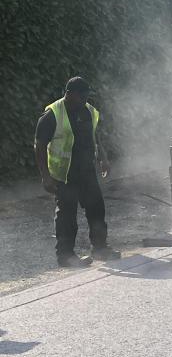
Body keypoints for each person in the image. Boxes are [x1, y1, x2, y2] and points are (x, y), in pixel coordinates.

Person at [34, 77, 119, 268]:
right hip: (64, 174)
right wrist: (45, 176)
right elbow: (39, 146)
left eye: (86, 96)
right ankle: (66, 257)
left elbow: (94, 136)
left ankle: (100, 248)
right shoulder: (52, 114)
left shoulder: (88, 111)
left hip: (87, 171)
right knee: (67, 216)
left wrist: (103, 158)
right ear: (69, 94)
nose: (85, 99)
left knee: (97, 209)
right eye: (82, 96)